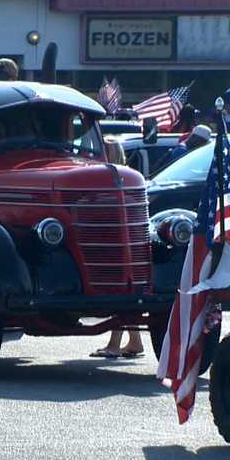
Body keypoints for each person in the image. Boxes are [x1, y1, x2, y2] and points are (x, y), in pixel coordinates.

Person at [91, 140, 145, 359]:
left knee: (119, 294)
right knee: (129, 294)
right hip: (134, 244)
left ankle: (114, 345)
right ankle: (135, 341)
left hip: (116, 244)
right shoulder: (132, 177)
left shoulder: (108, 180)